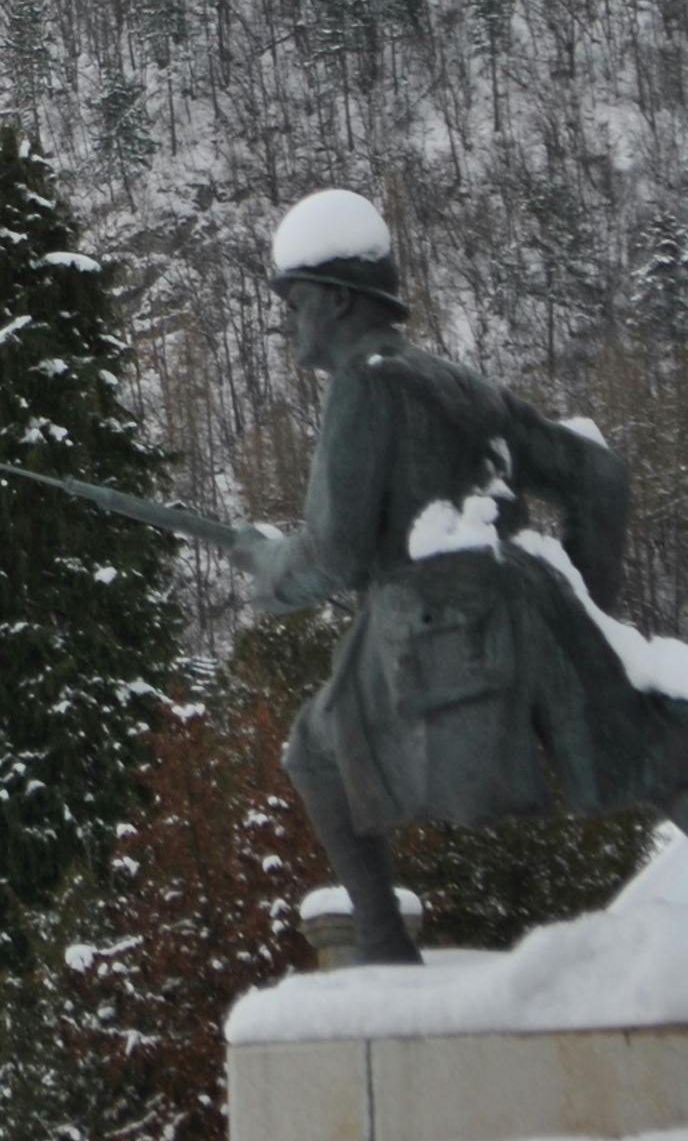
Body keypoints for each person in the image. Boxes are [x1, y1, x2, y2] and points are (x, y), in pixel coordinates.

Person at [227, 189, 688, 967]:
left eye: (296, 301)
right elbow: (598, 476)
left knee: (314, 754)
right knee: (650, 750)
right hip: (530, 598)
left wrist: (265, 566)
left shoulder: (363, 385)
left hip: (429, 611)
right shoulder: (456, 382)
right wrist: (585, 605)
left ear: (338, 301)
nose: (288, 322)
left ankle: (382, 947)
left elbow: (334, 556)